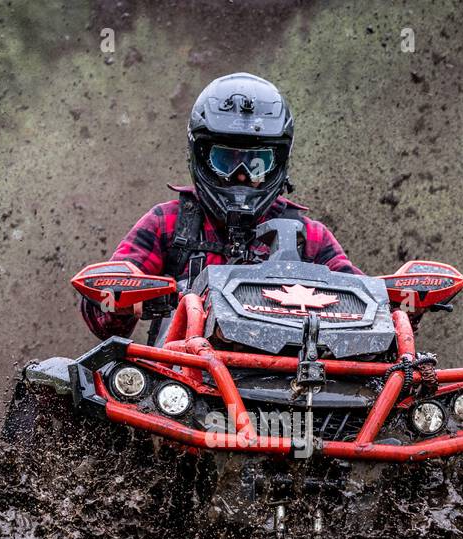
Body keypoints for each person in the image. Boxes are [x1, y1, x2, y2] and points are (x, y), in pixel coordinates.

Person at [81, 72, 361, 339]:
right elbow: (101, 321)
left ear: (278, 163)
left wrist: (400, 305)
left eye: (255, 163)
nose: (241, 175)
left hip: (293, 380)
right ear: (201, 157)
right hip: (182, 375)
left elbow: (364, 301)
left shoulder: (308, 236)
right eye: (226, 161)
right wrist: (120, 301)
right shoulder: (168, 223)